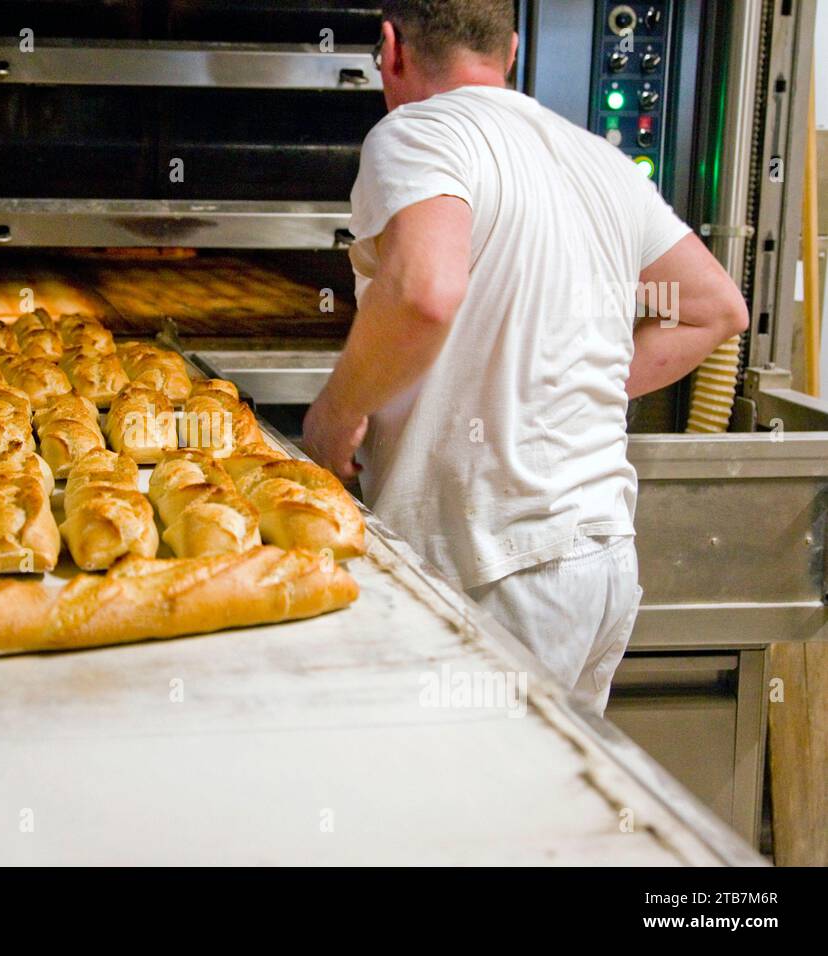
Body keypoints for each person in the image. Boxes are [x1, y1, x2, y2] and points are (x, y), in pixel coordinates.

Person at [302, 0, 748, 714]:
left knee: (465, 815)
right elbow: (715, 308)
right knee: (550, 809)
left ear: (390, 48)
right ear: (510, 50)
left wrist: (335, 412)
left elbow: (425, 292)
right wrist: (563, 381)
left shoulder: (418, 132)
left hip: (494, 566)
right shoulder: (597, 158)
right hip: (600, 561)